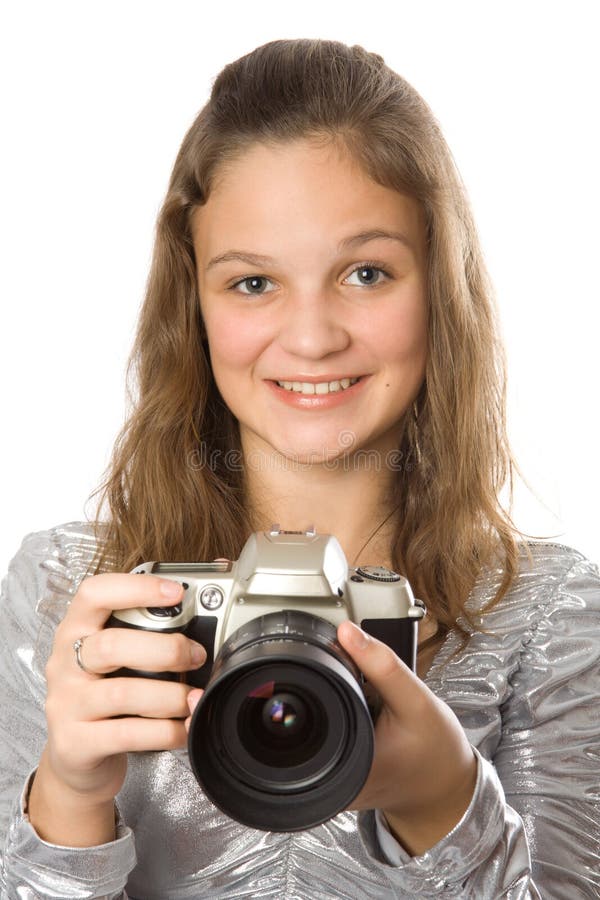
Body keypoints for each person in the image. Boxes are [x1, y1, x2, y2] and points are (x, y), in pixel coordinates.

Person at [0, 38, 598, 900]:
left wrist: (444, 803)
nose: (312, 337)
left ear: (439, 284)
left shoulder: (547, 620)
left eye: (365, 272)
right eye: (252, 284)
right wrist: (69, 794)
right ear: (194, 302)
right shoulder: (71, 596)